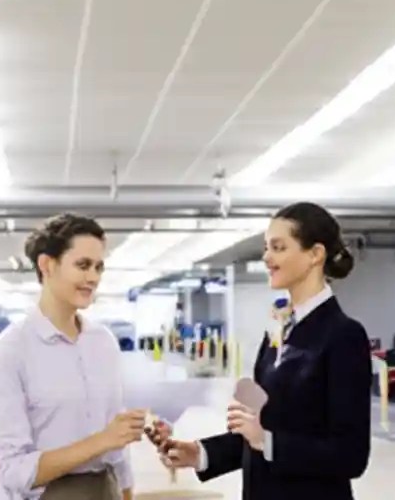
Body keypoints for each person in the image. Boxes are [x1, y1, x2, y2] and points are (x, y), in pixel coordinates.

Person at [149, 201, 372, 500]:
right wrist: (199, 453)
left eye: (278, 247)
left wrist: (267, 441)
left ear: (315, 255)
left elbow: (350, 455)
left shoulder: (343, 336)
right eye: (267, 248)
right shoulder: (278, 334)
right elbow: (260, 434)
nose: (266, 257)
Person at [0, 213, 146, 500]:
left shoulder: (103, 342)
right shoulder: (9, 352)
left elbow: (118, 446)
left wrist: (126, 490)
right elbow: (14, 470)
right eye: (82, 265)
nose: (93, 278)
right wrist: (102, 441)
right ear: (47, 265)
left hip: (105, 489)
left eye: (98, 267)